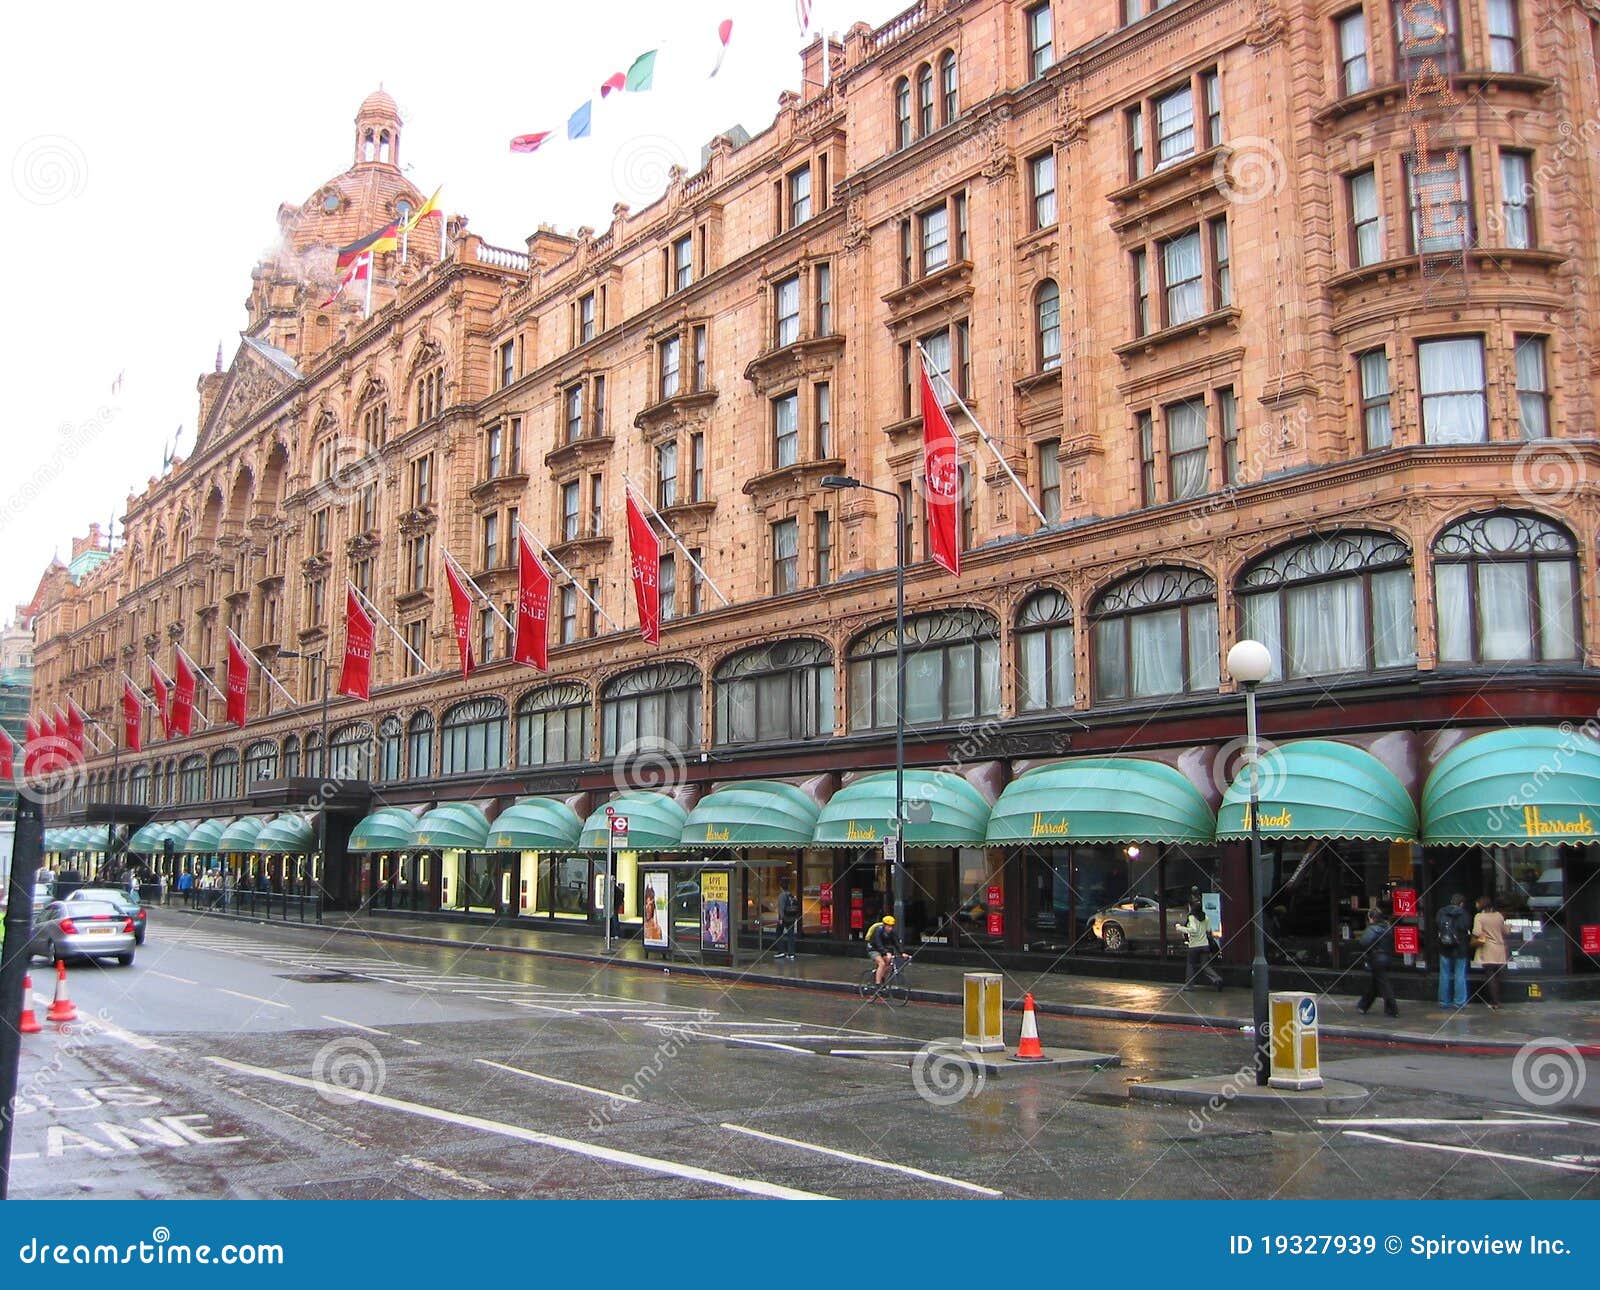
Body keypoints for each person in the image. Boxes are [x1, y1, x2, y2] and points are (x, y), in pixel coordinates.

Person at [1354, 905, 1399, 1017]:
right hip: (1387, 958)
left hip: (1377, 959)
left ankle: (1393, 1009)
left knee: (1383, 984)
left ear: (1372, 918)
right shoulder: (1387, 927)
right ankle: (1363, 1005)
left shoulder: (1373, 928)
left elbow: (1364, 942)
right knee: (1375, 984)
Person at [1435, 892, 1473, 1009]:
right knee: (1460, 974)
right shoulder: (1464, 914)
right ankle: (1459, 1002)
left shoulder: (1441, 912)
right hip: (1460, 948)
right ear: (1461, 904)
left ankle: (1443, 1001)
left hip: (1444, 947)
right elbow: (1466, 927)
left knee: (1444, 974)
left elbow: (1437, 925)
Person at [1472, 895, 1509, 1010]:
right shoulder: (1499, 916)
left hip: (1488, 949)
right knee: (1497, 975)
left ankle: (1495, 1002)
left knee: (1490, 975)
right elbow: (1505, 931)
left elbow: (1477, 932)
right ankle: (1497, 1000)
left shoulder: (1479, 917)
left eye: (1477, 903)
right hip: (1500, 949)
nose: (1476, 905)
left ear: (1481, 904)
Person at [1179, 899, 1223, 991]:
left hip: (1194, 946)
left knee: (1191, 965)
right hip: (1205, 945)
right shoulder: (1205, 917)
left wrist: (1180, 928)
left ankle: (1189, 986)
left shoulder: (1191, 917)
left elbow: (1193, 930)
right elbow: (1208, 931)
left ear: (1191, 907)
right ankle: (1217, 979)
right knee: (1205, 965)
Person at [865, 914, 905, 986]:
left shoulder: (892, 932)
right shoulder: (878, 930)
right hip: (873, 948)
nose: (890, 928)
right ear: (884, 925)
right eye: (888, 926)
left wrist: (902, 953)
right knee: (882, 963)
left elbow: (896, 943)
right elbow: (878, 943)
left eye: (892, 926)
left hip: (882, 949)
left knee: (889, 964)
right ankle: (878, 984)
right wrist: (886, 952)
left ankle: (882, 978)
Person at [775, 879, 801, 960]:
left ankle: (781, 951)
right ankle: (791, 953)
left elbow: (781, 908)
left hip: (784, 918)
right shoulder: (791, 895)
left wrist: (780, 919)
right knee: (791, 935)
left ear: (781, 887)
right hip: (791, 918)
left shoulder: (781, 896)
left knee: (779, 934)